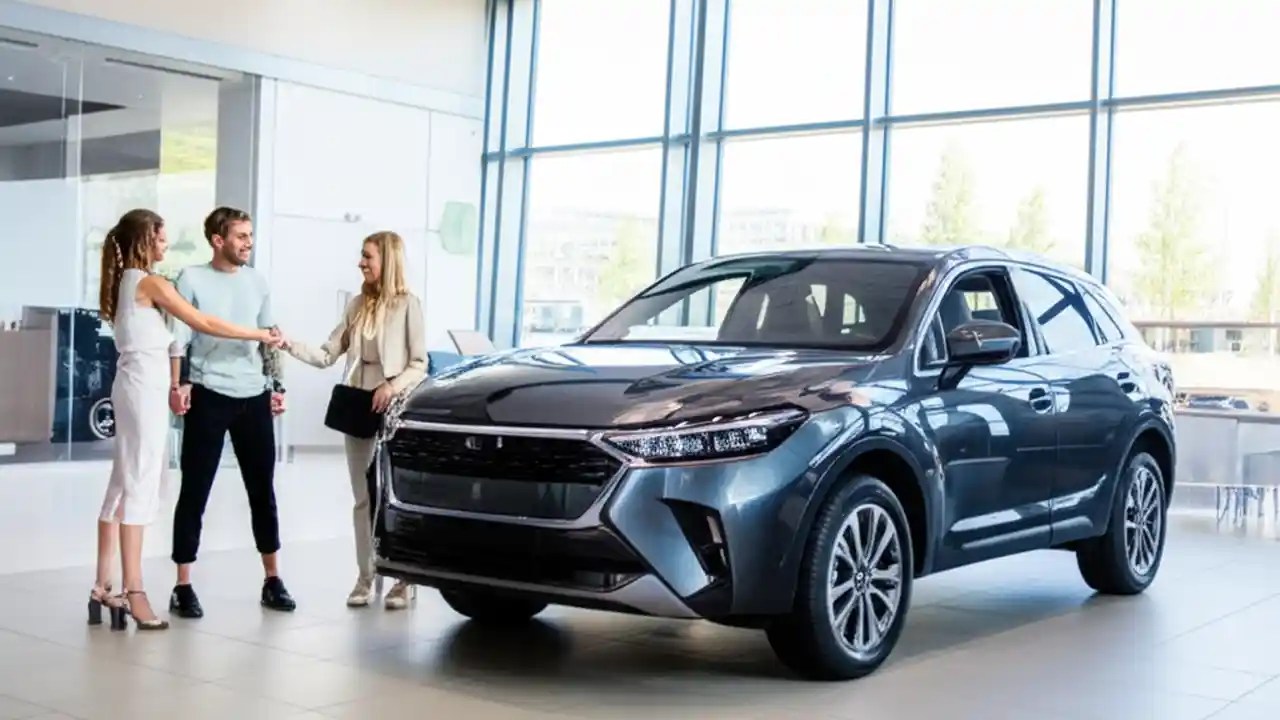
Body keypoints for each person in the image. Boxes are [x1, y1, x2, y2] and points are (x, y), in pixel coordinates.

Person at [90, 208, 280, 631]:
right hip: (143, 391)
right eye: (161, 237)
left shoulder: (128, 282)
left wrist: (178, 382)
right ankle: (135, 593)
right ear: (145, 240)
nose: (166, 244)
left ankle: (102, 586)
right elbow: (202, 322)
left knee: (121, 486)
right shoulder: (151, 283)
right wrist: (259, 334)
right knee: (141, 486)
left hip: (136, 386)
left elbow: (175, 341)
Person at [281, 230, 426, 609]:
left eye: (367, 256)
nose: (361, 263)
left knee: (393, 497)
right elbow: (328, 353)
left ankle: (403, 578)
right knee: (363, 498)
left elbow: (419, 363)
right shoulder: (358, 304)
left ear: (387, 261)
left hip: (393, 409)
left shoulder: (409, 305)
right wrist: (287, 343)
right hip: (357, 406)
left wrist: (391, 386)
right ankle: (366, 575)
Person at [167, 206, 296, 618]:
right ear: (217, 240)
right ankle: (182, 585)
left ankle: (272, 579)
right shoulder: (191, 278)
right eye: (241, 236)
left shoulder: (257, 281)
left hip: (253, 395)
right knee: (195, 490)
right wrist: (179, 383)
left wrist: (277, 386)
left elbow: (270, 337)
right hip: (209, 393)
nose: (248, 243)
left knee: (263, 491)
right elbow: (179, 338)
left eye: (250, 235)